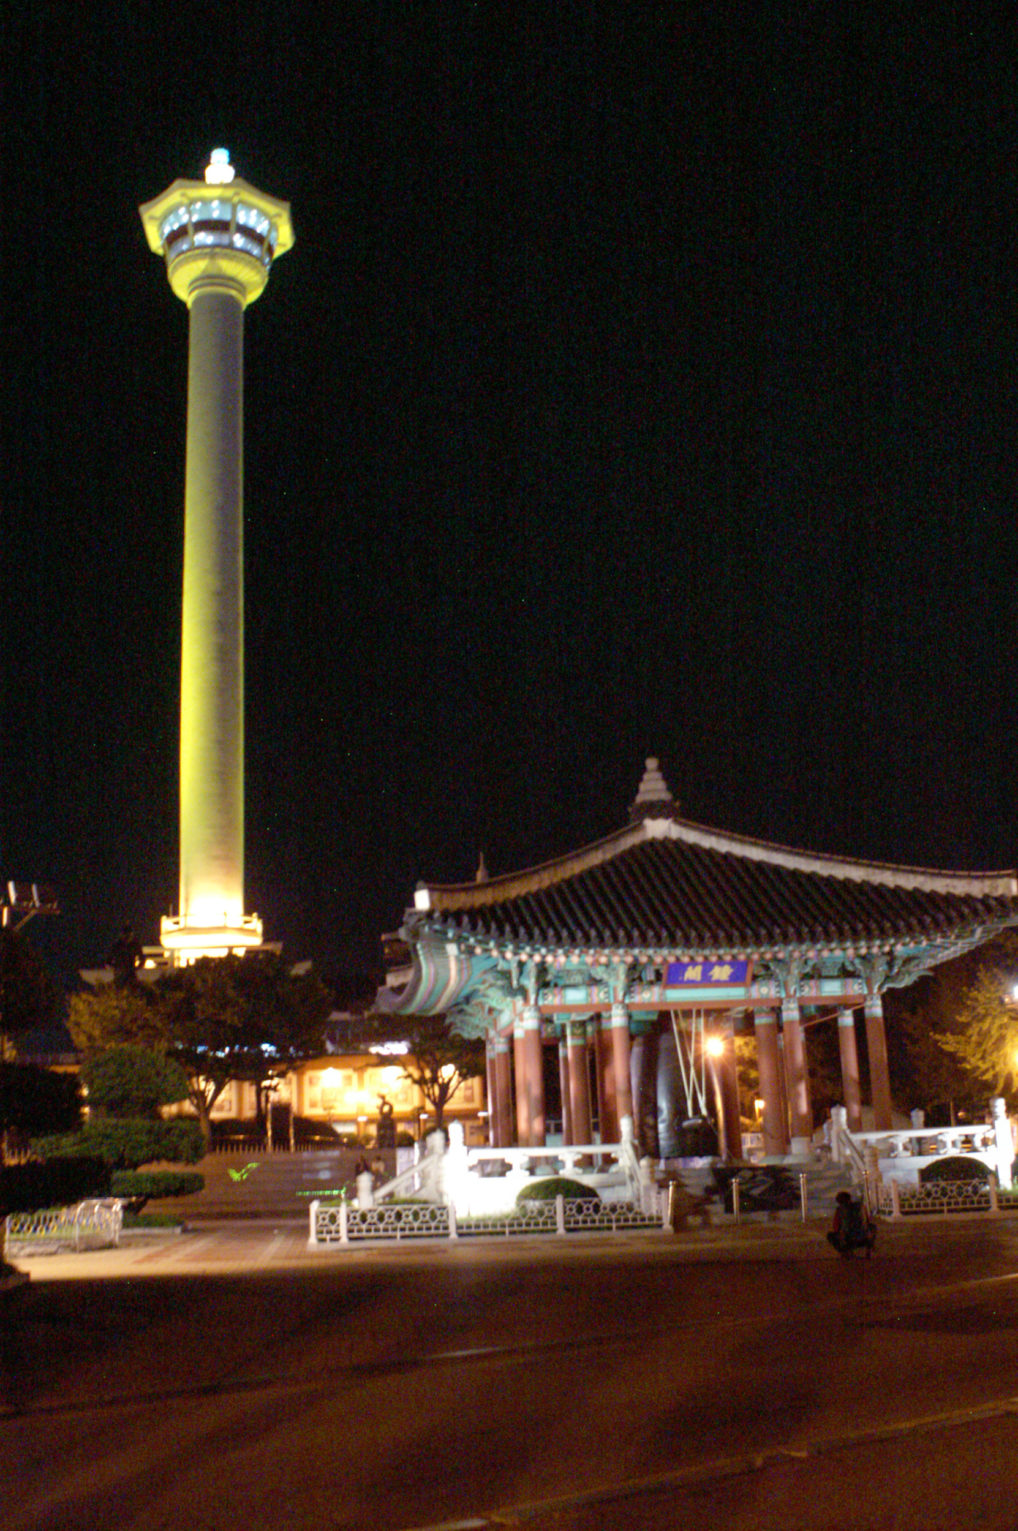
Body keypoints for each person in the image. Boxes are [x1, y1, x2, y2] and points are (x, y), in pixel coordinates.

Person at [827, 1189, 876, 1258]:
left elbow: (836, 1227)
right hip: (864, 1238)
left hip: (848, 1240)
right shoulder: (861, 1206)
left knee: (830, 1235)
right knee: (873, 1226)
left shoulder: (840, 1210)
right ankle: (869, 1247)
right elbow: (867, 1221)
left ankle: (845, 1251)